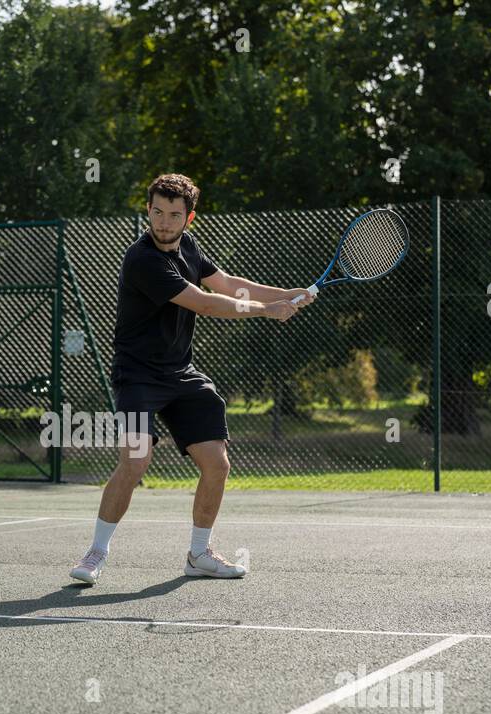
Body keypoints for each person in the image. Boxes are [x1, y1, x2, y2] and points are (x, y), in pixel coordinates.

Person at [70, 173, 315, 584]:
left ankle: (199, 554)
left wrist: (282, 294)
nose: (164, 222)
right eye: (158, 212)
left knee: (217, 464)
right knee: (135, 460)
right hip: (137, 377)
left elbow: (230, 284)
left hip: (182, 375)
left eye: (174, 215)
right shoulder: (142, 259)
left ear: (189, 217)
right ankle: (96, 553)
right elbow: (203, 302)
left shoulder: (189, 246)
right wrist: (266, 311)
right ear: (148, 210)